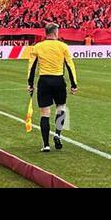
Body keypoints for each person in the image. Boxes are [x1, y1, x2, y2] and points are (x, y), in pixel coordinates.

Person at [27, 23, 78, 153]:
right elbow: (70, 66)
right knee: (61, 108)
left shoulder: (38, 47)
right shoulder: (63, 46)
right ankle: (58, 134)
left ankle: (46, 145)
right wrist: (74, 84)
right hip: (58, 80)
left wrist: (30, 84)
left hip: (44, 81)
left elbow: (31, 67)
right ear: (56, 33)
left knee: (45, 113)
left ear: (46, 33)